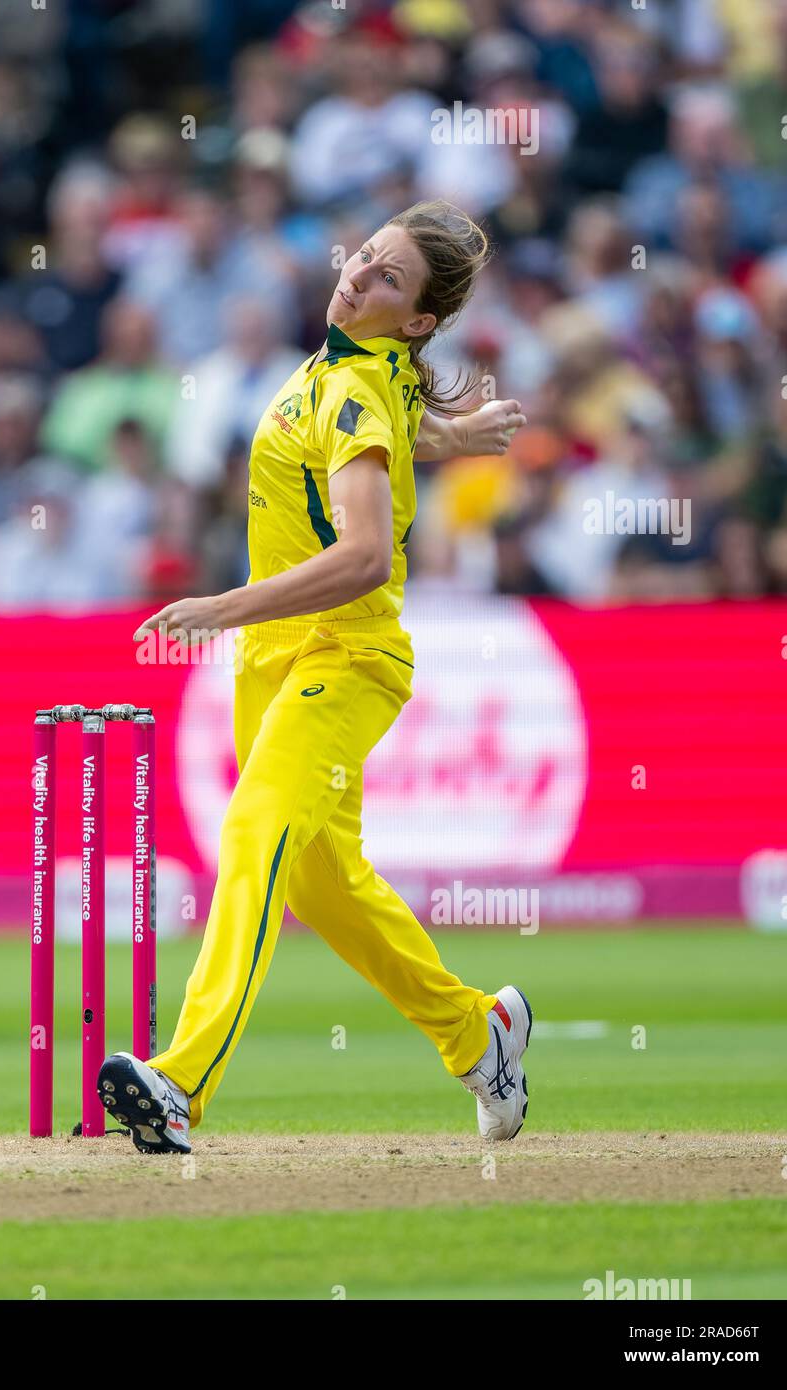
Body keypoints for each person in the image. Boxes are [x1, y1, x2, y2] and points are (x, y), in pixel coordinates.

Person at [97, 201, 533, 1153]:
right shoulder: (354, 372)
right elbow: (393, 426)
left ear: (418, 321)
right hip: (279, 667)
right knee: (328, 888)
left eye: (386, 279)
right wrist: (460, 437)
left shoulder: (355, 388)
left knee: (252, 834)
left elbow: (368, 554)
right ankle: (476, 1032)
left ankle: (178, 1083)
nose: (357, 276)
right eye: (365, 257)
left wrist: (219, 607)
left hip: (342, 659)